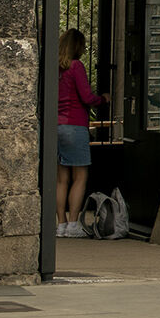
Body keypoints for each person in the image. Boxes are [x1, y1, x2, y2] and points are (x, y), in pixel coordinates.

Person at [56, 28, 109, 238]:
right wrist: (103, 99)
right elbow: (86, 97)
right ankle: (73, 224)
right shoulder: (76, 66)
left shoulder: (56, 67)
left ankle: (60, 224)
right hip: (75, 125)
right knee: (80, 176)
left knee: (61, 179)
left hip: (56, 126)